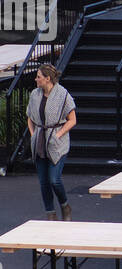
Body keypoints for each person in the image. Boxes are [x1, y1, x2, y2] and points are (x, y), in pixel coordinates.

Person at [26, 64, 76, 220]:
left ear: (47, 79)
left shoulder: (63, 95)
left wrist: (58, 135)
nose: (36, 79)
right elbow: (30, 117)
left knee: (54, 179)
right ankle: (50, 214)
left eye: (38, 77)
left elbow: (72, 120)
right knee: (44, 183)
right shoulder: (35, 94)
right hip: (40, 141)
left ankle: (65, 205)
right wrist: (33, 134)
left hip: (57, 143)